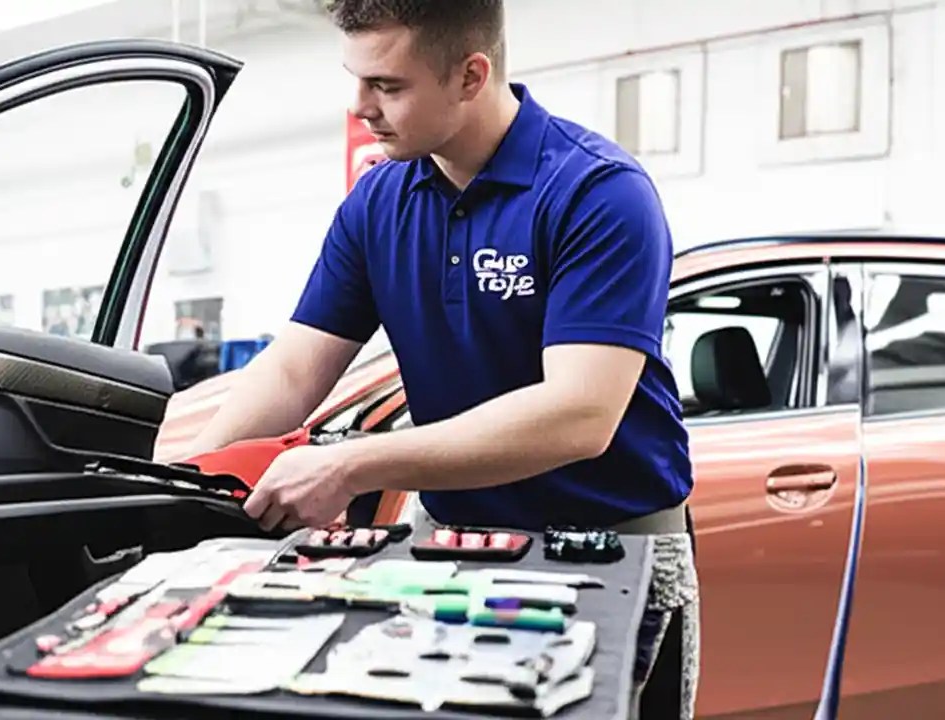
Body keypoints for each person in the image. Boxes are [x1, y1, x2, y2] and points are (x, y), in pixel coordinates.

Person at [177, 1, 697, 716]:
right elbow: (293, 371)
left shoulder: (597, 193)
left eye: (387, 86)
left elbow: (579, 414)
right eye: (356, 81)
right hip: (450, 545)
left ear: (470, 75)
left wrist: (353, 461)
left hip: (609, 550)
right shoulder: (377, 204)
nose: (362, 109)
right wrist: (184, 484)